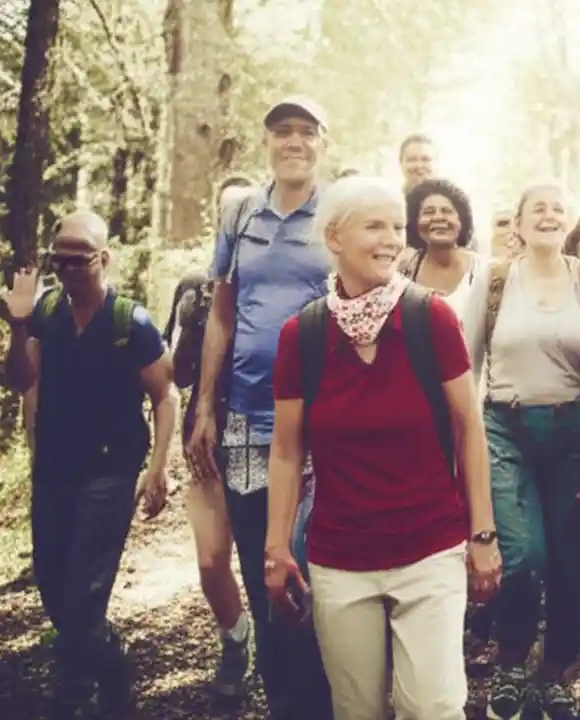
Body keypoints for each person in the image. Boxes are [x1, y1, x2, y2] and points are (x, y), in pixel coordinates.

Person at [259, 175, 501, 719]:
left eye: (397, 226)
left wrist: (481, 534)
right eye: (375, 225)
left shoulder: (430, 317)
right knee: (358, 709)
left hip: (430, 547)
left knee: (434, 707)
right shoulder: (305, 336)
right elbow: (287, 452)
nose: (392, 239)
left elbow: (469, 427)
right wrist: (276, 548)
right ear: (335, 237)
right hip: (341, 557)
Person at [185, 95, 334, 719]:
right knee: (261, 565)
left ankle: (330, 699)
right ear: (267, 142)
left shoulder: (341, 214)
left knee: (314, 564)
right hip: (248, 422)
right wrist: (204, 407)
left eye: (305, 132)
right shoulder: (240, 213)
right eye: (282, 132)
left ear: (323, 144)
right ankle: (285, 704)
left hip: (325, 427)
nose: (293, 141)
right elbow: (222, 313)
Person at [3, 210, 175, 717]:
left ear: (104, 259)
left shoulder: (131, 322)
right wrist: (17, 327)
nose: (71, 271)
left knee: (85, 589)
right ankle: (109, 655)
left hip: (111, 469)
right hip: (55, 468)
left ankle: (75, 695)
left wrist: (158, 467)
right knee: (52, 583)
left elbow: (165, 395)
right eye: (61, 262)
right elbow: (20, 379)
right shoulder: (46, 314)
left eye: (81, 261)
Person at [461, 182, 580, 720]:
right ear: (517, 225)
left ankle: (557, 674)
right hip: (506, 428)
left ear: (568, 222)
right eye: (536, 209)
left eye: (557, 208)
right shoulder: (494, 280)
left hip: (574, 433)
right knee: (522, 558)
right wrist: (462, 444)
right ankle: (511, 663)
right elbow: (465, 365)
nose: (548, 215)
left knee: (569, 565)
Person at [162, 173, 256, 698]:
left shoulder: (283, 282)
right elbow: (176, 374)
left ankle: (289, 656)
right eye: (228, 214)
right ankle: (235, 636)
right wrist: (194, 324)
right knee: (209, 559)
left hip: (264, 432)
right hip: (205, 432)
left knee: (269, 551)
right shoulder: (192, 283)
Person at [397, 177, 487, 315]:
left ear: (461, 221)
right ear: (415, 222)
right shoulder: (403, 270)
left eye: (446, 211)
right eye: (428, 212)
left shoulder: (483, 270)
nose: (438, 217)